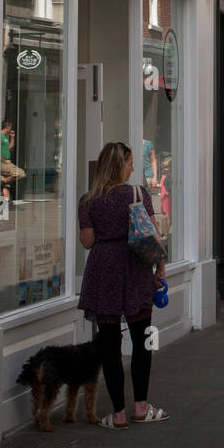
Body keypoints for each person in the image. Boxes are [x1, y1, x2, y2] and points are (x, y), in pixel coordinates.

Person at [77, 141, 167, 427]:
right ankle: (141, 407)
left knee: (109, 343)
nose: (132, 167)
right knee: (141, 340)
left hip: (103, 269)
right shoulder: (138, 194)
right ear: (121, 165)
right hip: (135, 266)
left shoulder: (89, 199)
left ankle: (117, 414)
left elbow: (87, 241)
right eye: (129, 162)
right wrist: (160, 268)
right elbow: (152, 234)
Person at [0, 119, 25, 204]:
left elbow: (10, 147)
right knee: (21, 173)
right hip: (4, 162)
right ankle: (2, 181)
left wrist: (12, 137)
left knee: (6, 185)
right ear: (7, 126)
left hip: (6, 161)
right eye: (10, 126)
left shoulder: (5, 137)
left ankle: (7, 202)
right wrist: (3, 160)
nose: (11, 128)